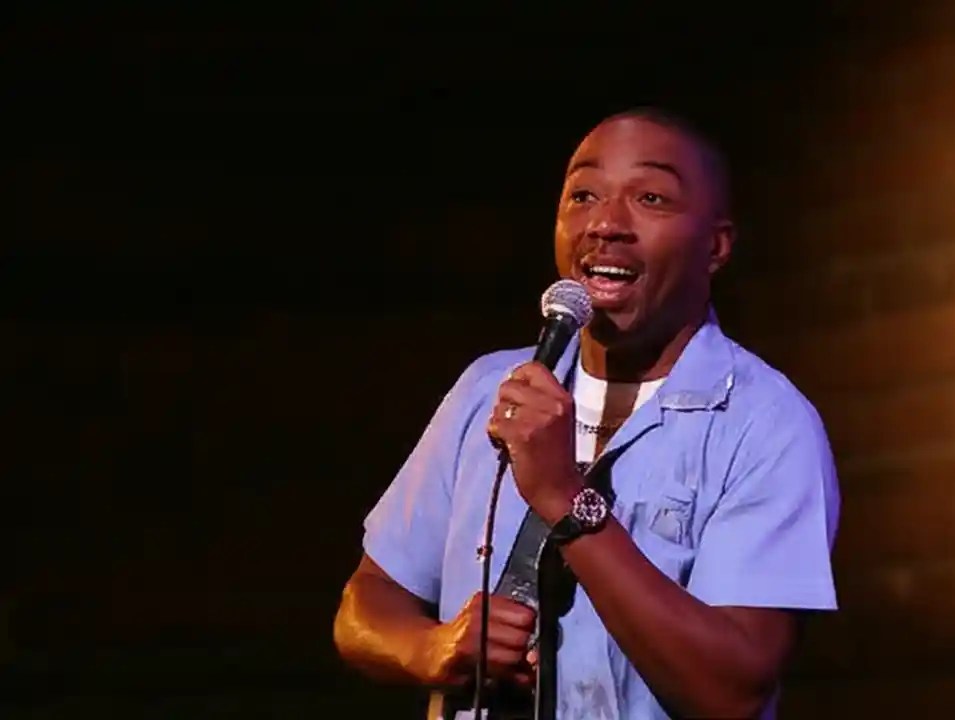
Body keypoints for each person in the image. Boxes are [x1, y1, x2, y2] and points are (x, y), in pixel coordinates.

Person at [333, 107, 840, 719]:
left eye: (650, 197)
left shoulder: (765, 423)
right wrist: (430, 648)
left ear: (715, 246)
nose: (605, 223)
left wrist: (567, 500)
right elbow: (366, 605)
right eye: (582, 195)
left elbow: (730, 691)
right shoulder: (489, 389)